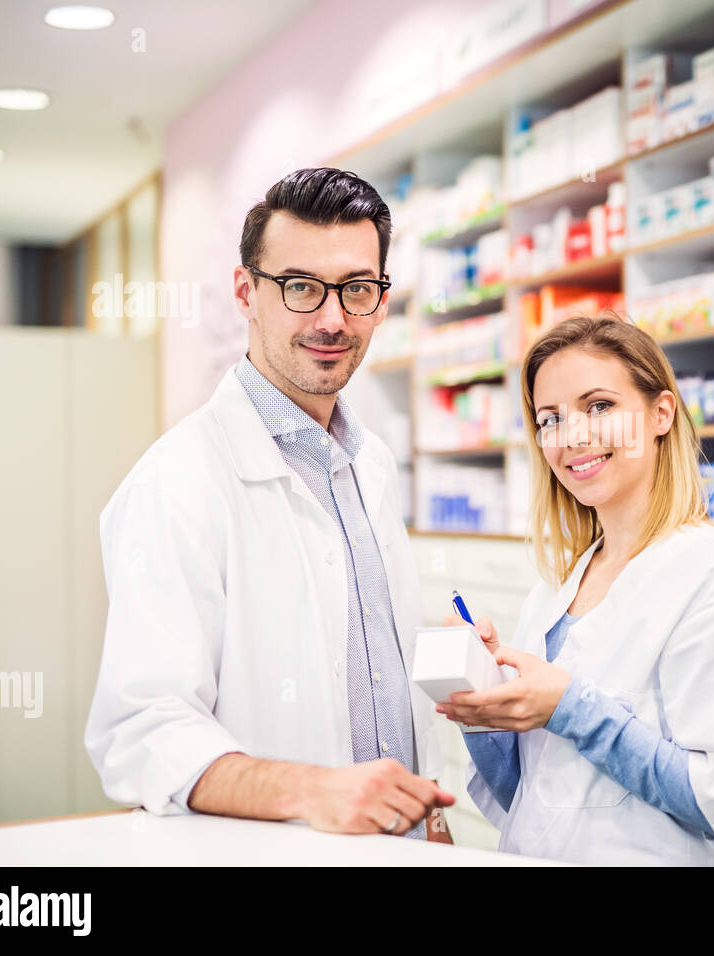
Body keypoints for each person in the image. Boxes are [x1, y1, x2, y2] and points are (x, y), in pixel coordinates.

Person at [85, 168, 454, 840]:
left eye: (358, 290)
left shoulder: (368, 463)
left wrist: (419, 813)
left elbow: (366, 669)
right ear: (245, 292)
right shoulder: (178, 481)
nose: (333, 319)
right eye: (301, 287)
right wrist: (315, 791)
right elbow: (142, 731)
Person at [438, 313, 714, 865]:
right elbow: (534, 802)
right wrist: (480, 708)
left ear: (660, 414)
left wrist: (571, 708)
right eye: (550, 418)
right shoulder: (553, 593)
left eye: (599, 407)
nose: (571, 436)